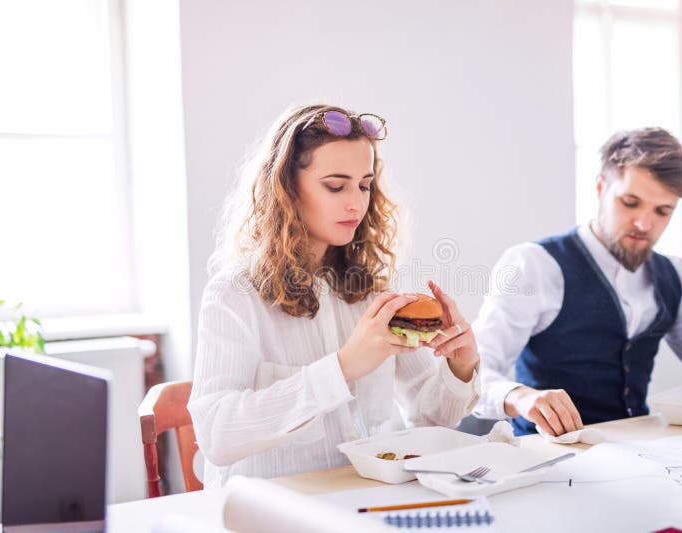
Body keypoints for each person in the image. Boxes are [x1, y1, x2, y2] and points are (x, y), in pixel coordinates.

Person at [188, 104, 480, 487]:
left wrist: (460, 365)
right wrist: (343, 367)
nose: (356, 204)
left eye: (363, 185)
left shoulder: (369, 291)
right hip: (272, 513)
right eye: (335, 186)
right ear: (287, 189)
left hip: (367, 504)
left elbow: (429, 417)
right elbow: (216, 435)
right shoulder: (234, 295)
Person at [473, 127, 682, 436]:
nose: (644, 223)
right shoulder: (535, 264)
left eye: (663, 211)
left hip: (638, 451)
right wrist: (518, 396)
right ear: (600, 188)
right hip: (547, 457)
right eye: (630, 202)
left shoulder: (675, 277)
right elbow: (472, 376)